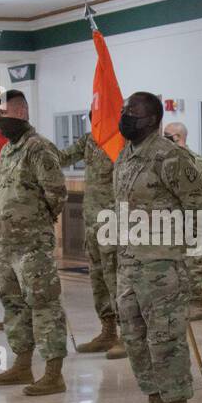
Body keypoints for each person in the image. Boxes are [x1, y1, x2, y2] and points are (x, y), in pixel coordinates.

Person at [113, 92, 202, 403]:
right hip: (129, 263)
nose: (125, 116)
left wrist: (176, 250)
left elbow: (199, 205)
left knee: (165, 338)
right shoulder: (126, 155)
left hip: (162, 266)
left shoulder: (170, 157)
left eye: (133, 112)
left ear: (152, 119)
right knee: (135, 337)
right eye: (124, 110)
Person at [0, 90, 68, 396]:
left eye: (3, 115)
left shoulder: (39, 148)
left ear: (21, 112)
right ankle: (22, 363)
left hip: (32, 245)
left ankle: (53, 372)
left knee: (43, 305)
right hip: (5, 245)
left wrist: (36, 221)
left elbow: (57, 193)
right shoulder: (8, 150)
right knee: (13, 304)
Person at [57, 112, 120, 354]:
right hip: (93, 220)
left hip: (114, 221)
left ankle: (128, 335)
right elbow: (62, 157)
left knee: (117, 279)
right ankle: (108, 330)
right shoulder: (89, 140)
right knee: (98, 278)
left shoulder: (122, 141)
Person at [163, 121, 202, 321]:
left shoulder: (192, 160)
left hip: (192, 219)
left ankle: (197, 304)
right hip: (172, 220)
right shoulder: (168, 160)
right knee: (176, 264)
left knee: (194, 262)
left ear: (178, 137)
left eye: (167, 135)